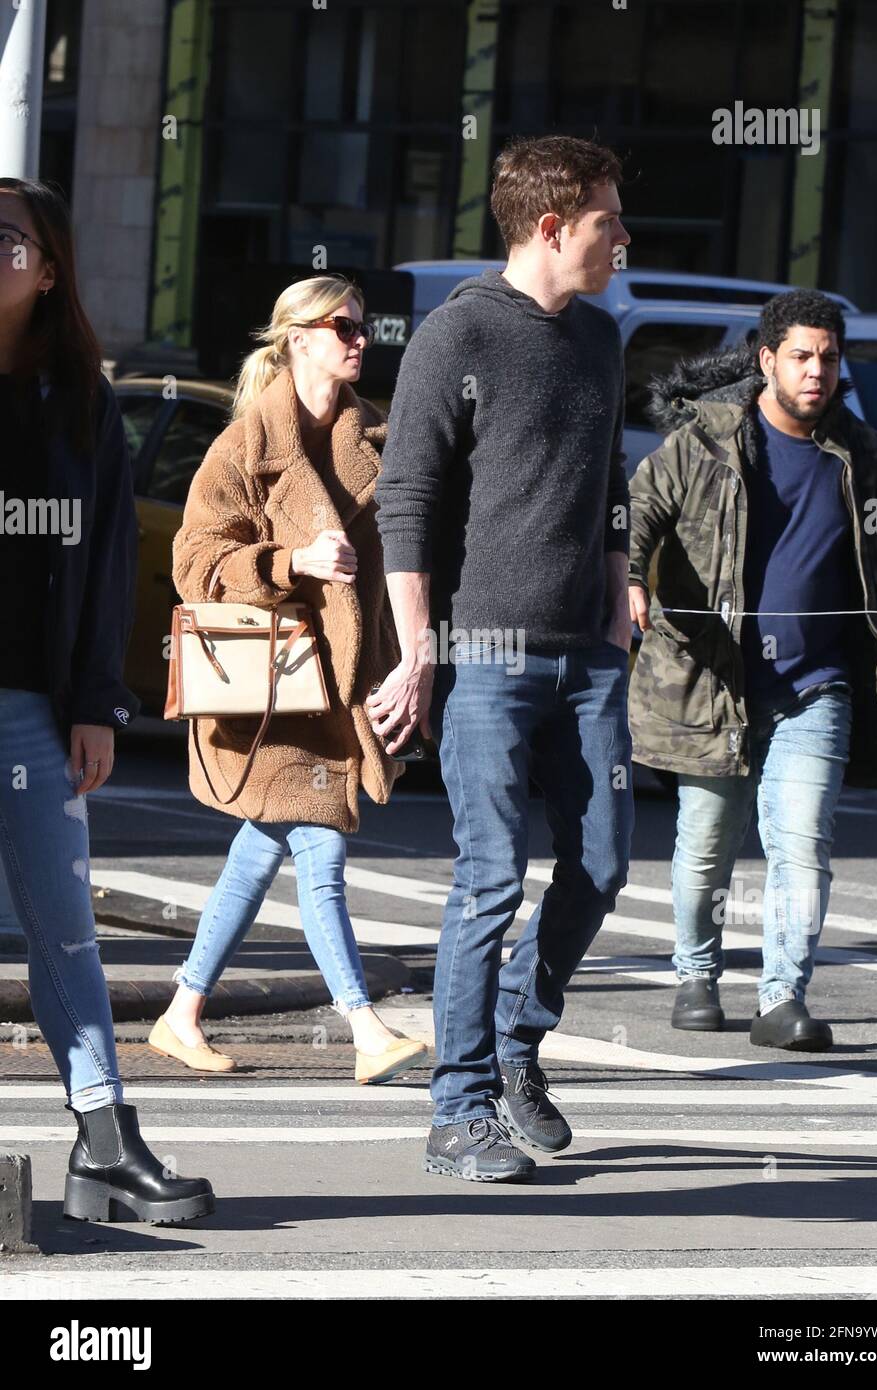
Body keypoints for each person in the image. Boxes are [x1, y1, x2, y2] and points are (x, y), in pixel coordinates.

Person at [371, 136, 634, 1181]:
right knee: (488, 876)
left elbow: (610, 479)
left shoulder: (604, 340)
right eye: (610, 220)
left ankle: (521, 1038)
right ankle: (458, 1107)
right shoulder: (459, 333)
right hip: (482, 653)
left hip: (588, 654)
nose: (624, 239)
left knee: (605, 858)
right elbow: (407, 499)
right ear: (552, 226)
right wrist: (416, 652)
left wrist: (617, 610)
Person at [627, 288, 877, 1050]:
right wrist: (630, 580)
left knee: (802, 842)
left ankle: (781, 998)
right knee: (707, 839)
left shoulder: (857, 450)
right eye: (802, 355)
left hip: (816, 685)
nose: (818, 371)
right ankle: (696, 975)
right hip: (713, 680)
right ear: (767, 360)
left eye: (830, 358)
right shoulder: (706, 440)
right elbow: (638, 511)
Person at [0, 176, 214, 1223]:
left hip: (31, 710)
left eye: (5, 240)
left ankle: (105, 1142)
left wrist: (95, 702)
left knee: (64, 930)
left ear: (47, 270)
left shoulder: (81, 404)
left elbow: (109, 568)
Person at [156, 275, 427, 1085]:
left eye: (361, 327)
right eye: (342, 326)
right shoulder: (242, 448)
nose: (359, 339)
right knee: (318, 847)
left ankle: (180, 1013)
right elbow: (195, 563)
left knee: (261, 849)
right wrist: (289, 562)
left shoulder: (376, 437)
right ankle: (365, 1028)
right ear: (298, 338)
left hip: (342, 687)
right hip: (274, 692)